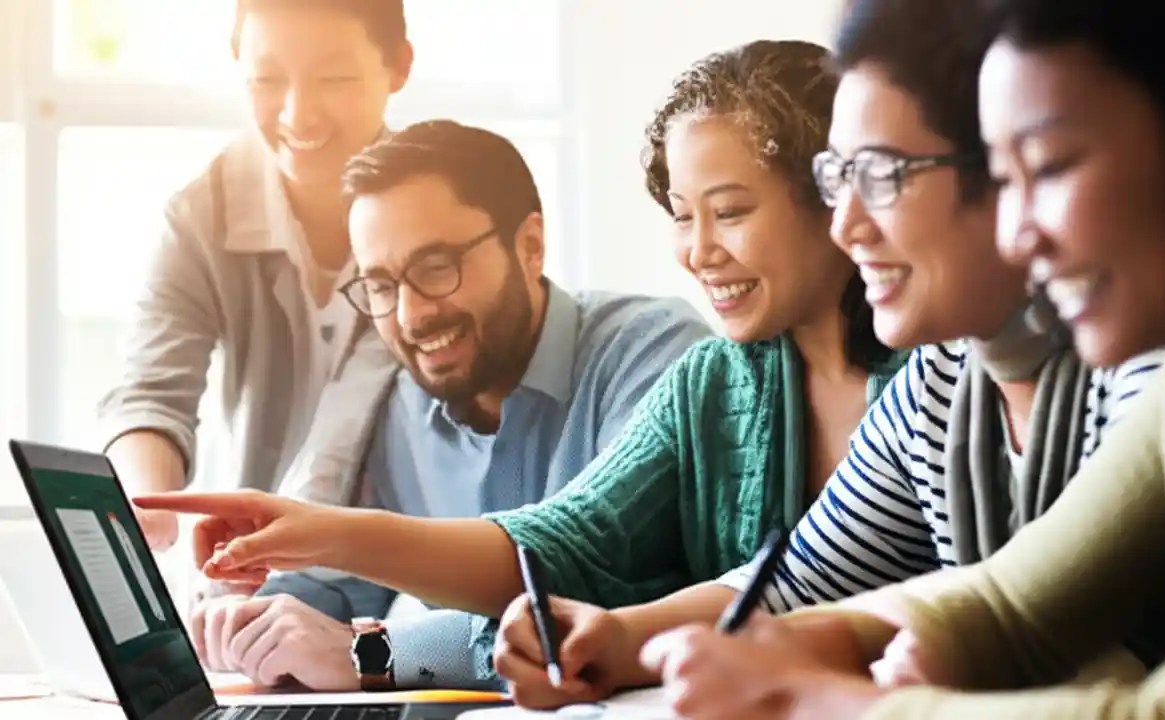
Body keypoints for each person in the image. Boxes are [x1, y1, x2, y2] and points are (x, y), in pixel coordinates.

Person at [135, 38, 906, 683]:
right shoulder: (718, 383)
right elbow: (568, 540)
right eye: (680, 217)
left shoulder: (925, 382)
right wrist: (312, 532)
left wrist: (381, 646)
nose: (699, 252)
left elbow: (804, 594)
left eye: (730, 213)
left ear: (833, 194)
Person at [489, 0, 1165, 709]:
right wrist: (619, 641)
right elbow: (806, 583)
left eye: (881, 176)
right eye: (837, 178)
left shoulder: (1152, 370)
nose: (845, 225)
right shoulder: (941, 381)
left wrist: (823, 693)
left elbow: (1128, 667)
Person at [641, 1, 1165, 718]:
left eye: (1051, 167)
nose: (1016, 234)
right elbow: (1007, 603)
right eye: (1004, 180)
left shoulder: (1162, 370)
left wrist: (817, 698)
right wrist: (821, 647)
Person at [186, 120, 711, 692]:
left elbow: (607, 595)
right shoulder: (395, 407)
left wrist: (369, 653)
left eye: (437, 268)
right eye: (381, 285)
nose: (411, 317)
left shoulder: (655, 353)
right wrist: (246, 613)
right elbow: (337, 589)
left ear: (530, 245)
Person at [98, 0, 412, 551]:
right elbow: (151, 394)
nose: (298, 114)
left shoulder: (439, 217)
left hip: (404, 584)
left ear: (398, 67)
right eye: (267, 79)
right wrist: (146, 508)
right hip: (247, 579)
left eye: (334, 78)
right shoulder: (202, 216)